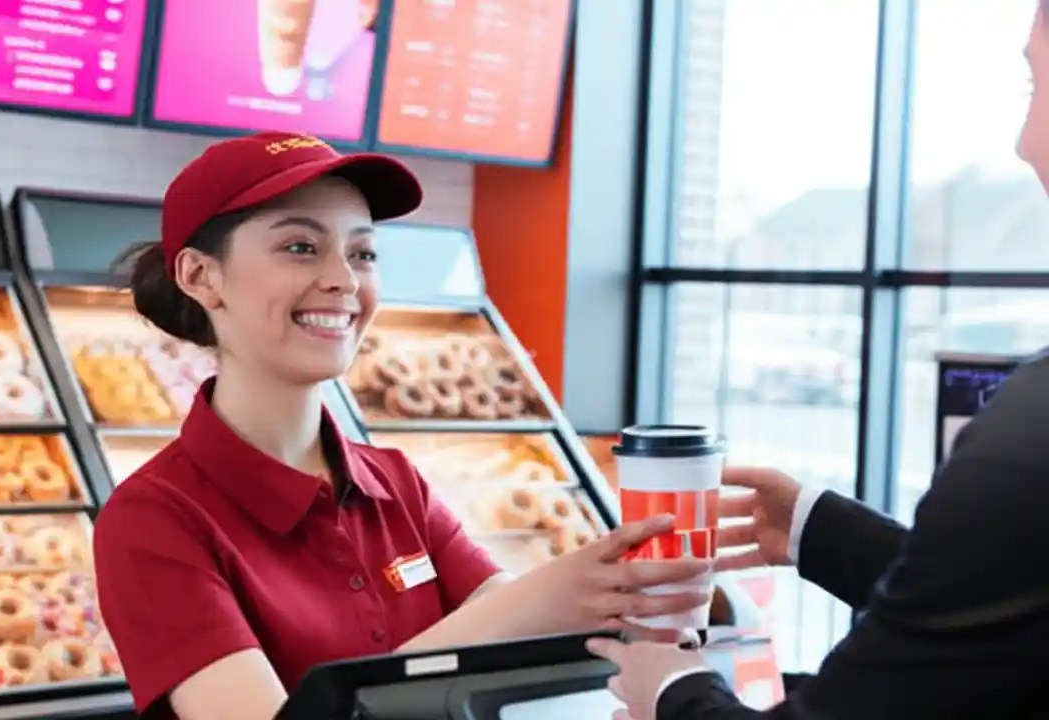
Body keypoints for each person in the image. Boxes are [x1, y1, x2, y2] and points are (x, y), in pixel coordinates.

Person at [90, 131, 714, 720]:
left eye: (362, 252)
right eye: (301, 247)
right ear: (202, 276)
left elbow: (501, 636)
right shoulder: (153, 521)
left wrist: (633, 611)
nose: (343, 280)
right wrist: (535, 601)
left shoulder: (394, 482)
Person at [586, 2, 1049, 718]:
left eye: (1034, 88)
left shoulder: (1030, 434)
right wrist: (818, 530)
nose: (1023, 143)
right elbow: (999, 612)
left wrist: (671, 691)